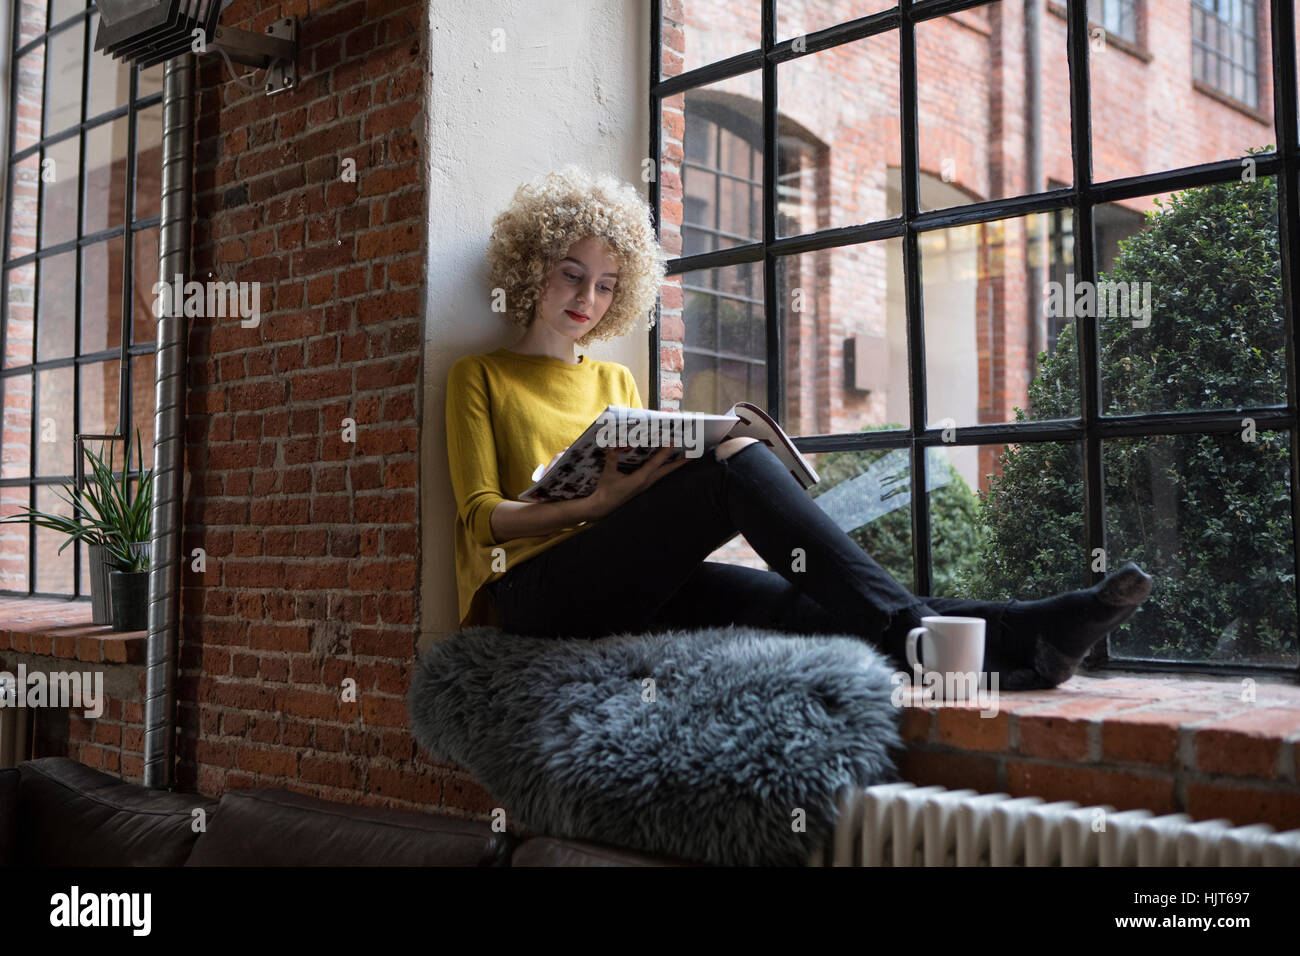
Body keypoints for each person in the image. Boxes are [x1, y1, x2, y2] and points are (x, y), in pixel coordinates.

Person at [445, 165, 1153, 690]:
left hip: (619, 577)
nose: (587, 298)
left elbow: (637, 504)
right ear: (531, 268)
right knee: (732, 461)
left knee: (796, 603)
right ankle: (925, 632)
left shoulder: (614, 383)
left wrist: (634, 490)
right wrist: (591, 504)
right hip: (530, 595)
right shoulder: (478, 376)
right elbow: (479, 521)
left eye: (605, 284)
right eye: (571, 275)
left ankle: (1035, 636)